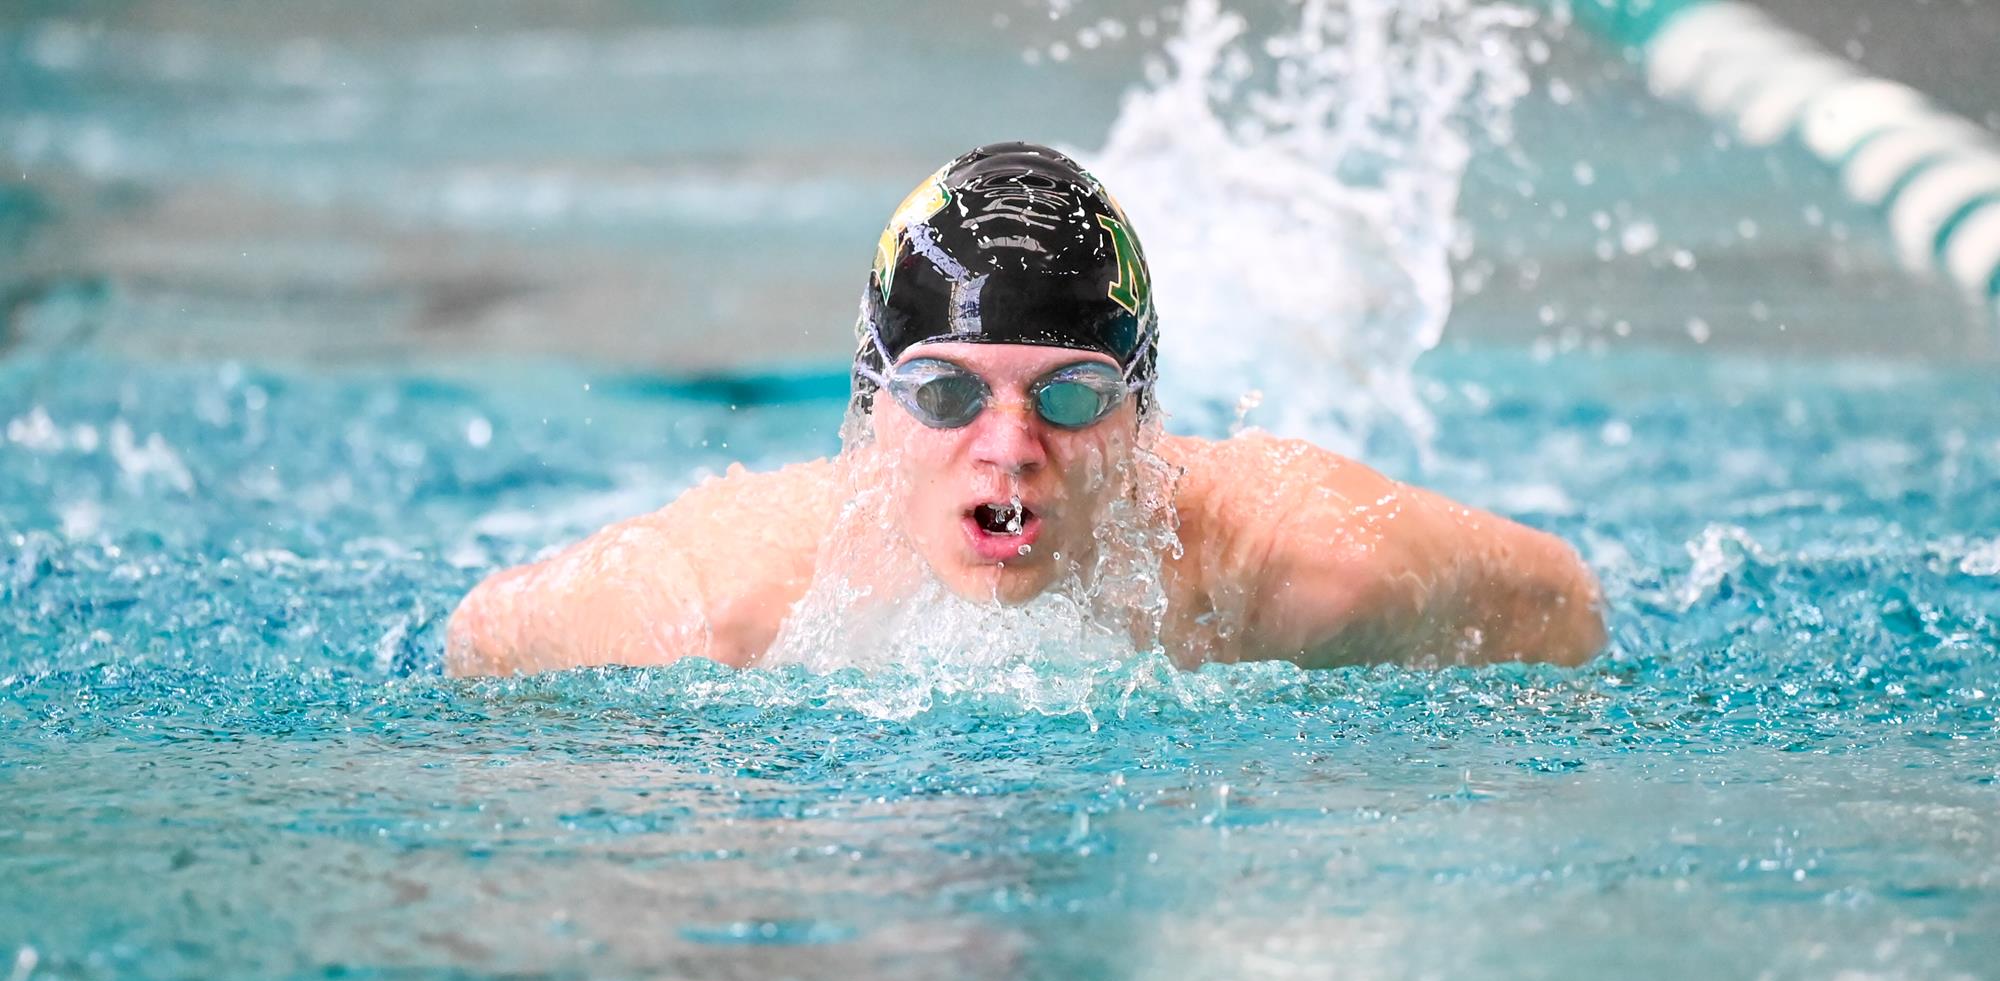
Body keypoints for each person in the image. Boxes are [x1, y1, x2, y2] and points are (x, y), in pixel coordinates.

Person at [446, 142, 1604, 677]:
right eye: (944, 392)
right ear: (867, 412)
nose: (1008, 449)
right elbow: (477, 641)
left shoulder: (1301, 570)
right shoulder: (726, 605)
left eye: (1071, 395)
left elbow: (1564, 608)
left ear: (1144, 423)